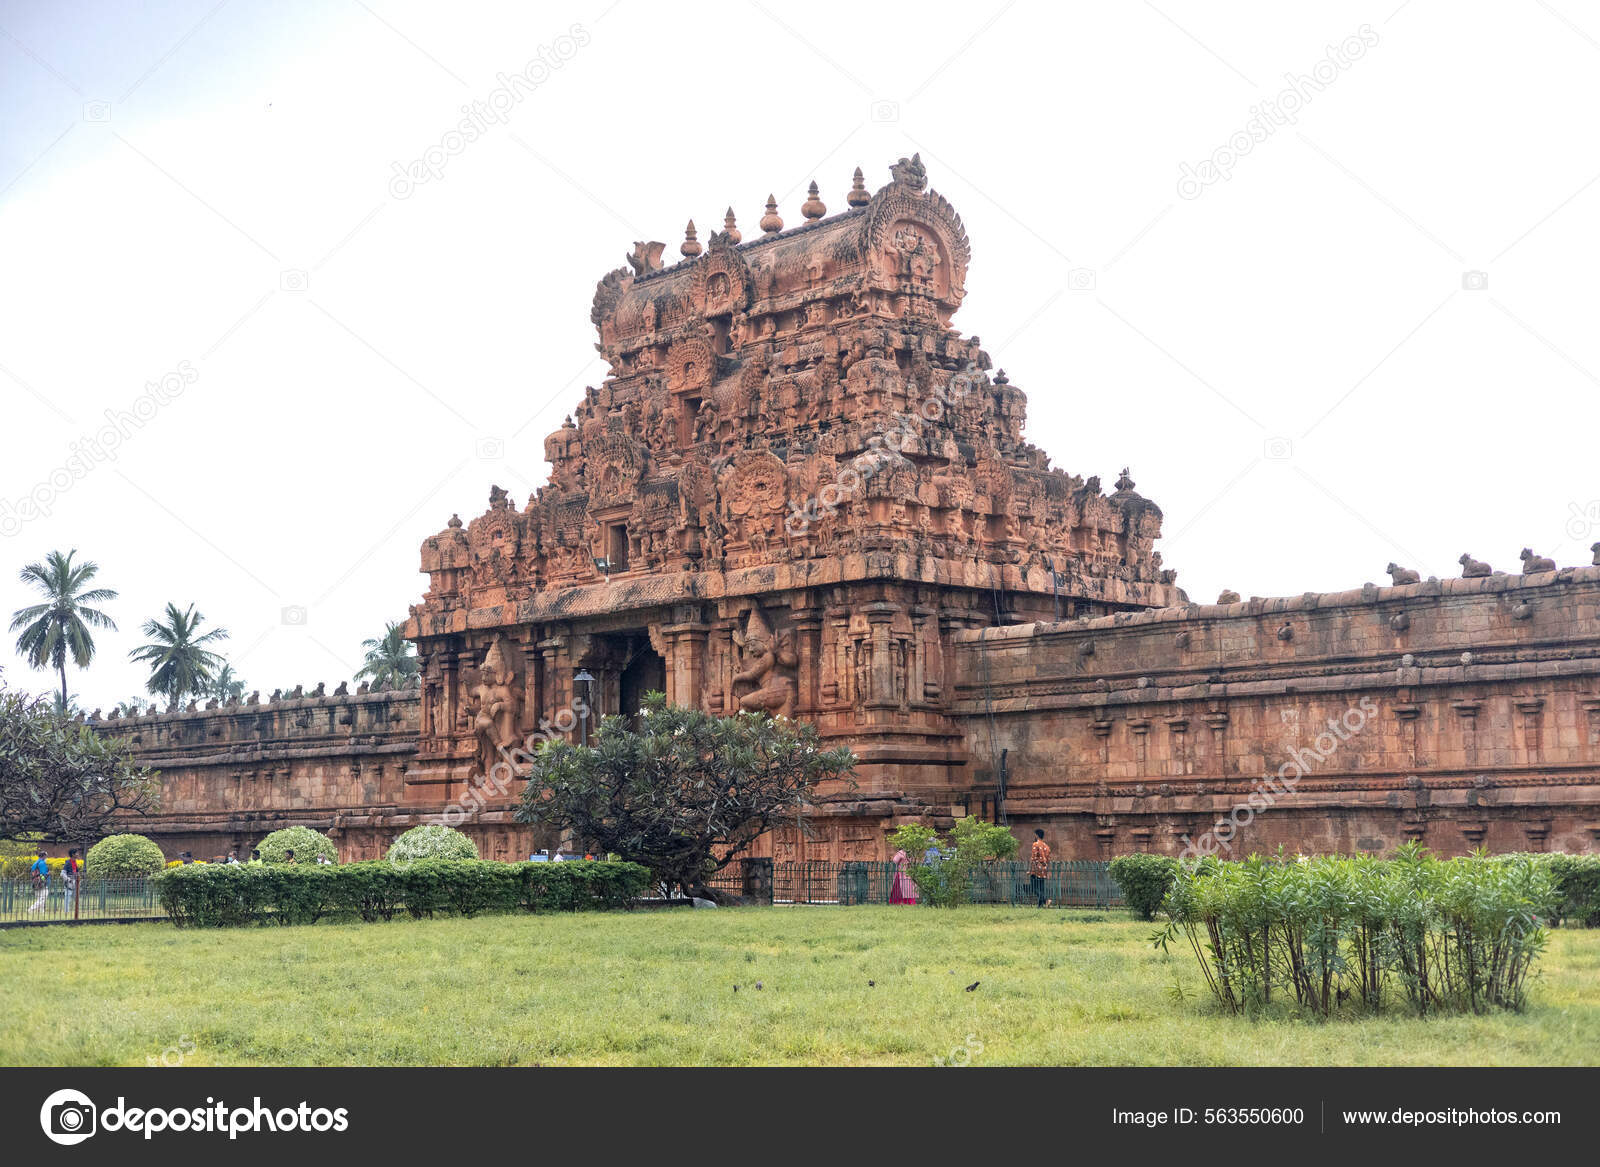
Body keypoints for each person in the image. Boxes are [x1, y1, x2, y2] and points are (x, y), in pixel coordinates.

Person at [1029, 828, 1052, 908]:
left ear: (1036, 835)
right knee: (1041, 888)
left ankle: (1045, 900)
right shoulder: (1047, 846)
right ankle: (1040, 906)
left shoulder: (1035, 844)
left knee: (1033, 887)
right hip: (1044, 869)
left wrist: (1030, 869)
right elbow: (1048, 859)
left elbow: (1034, 858)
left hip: (1036, 869)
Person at [28, 850, 50, 914]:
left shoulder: (35, 863)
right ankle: (31, 909)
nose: (46, 858)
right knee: (43, 898)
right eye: (46, 856)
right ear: (44, 856)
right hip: (41, 883)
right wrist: (48, 874)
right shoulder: (42, 863)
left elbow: (32, 873)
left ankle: (42, 912)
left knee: (39, 898)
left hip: (35, 883)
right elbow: (42, 874)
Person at [63, 848, 81, 914]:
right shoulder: (68, 863)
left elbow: (76, 872)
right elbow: (62, 873)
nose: (78, 854)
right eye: (76, 853)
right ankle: (66, 911)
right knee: (68, 897)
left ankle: (76, 911)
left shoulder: (74, 862)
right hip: (69, 883)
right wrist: (69, 880)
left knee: (76, 897)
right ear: (73, 854)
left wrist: (78, 876)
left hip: (75, 882)